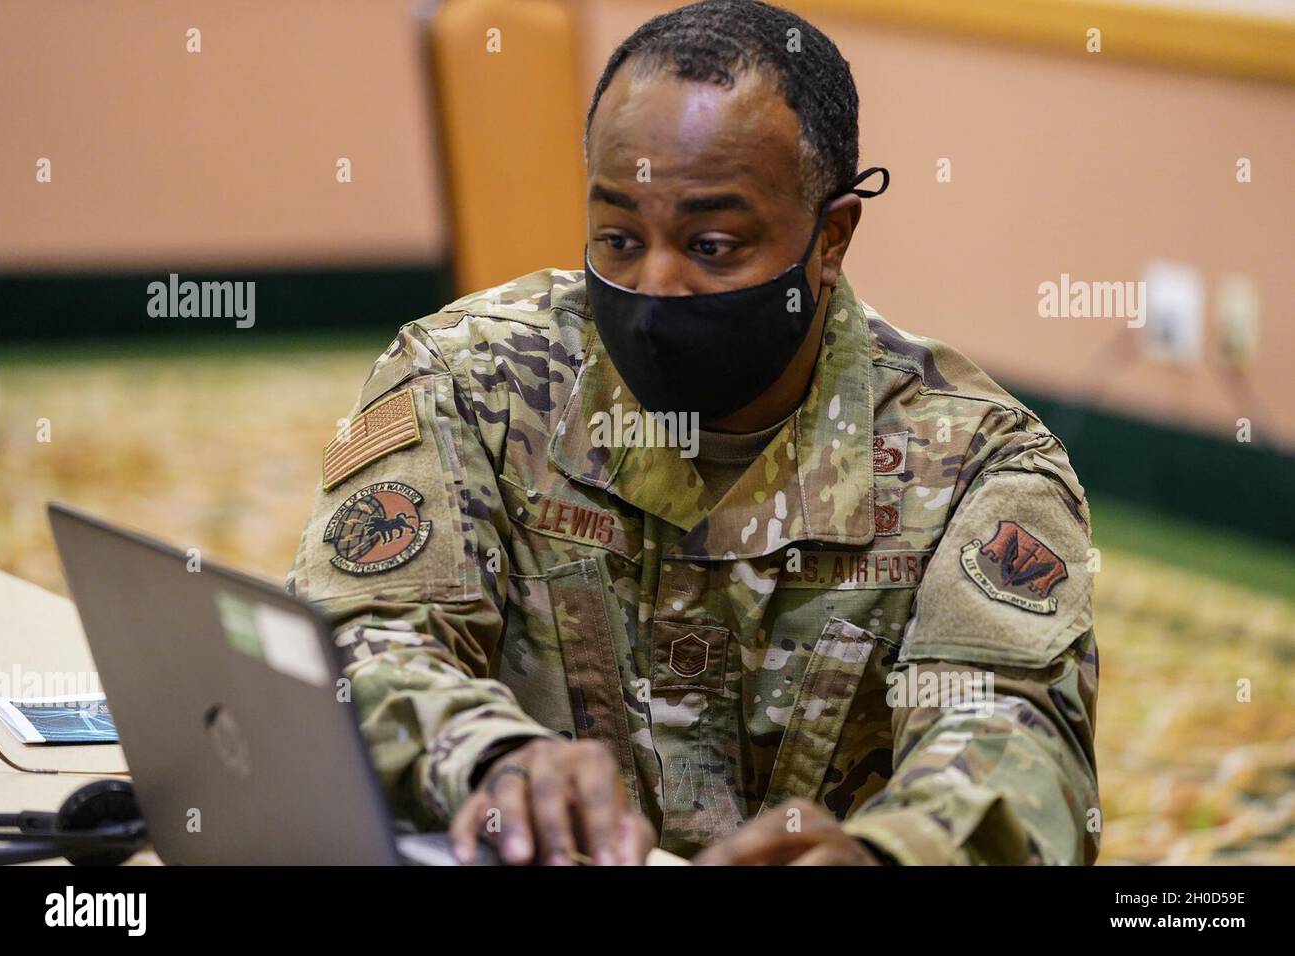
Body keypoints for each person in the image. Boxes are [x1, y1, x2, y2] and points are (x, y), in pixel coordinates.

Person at [287, 0, 1098, 866]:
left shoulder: (979, 467)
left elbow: (1014, 739)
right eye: (618, 237)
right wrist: (492, 756)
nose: (657, 286)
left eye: (712, 244)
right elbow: (356, 638)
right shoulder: (472, 380)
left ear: (831, 238)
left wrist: (887, 855)